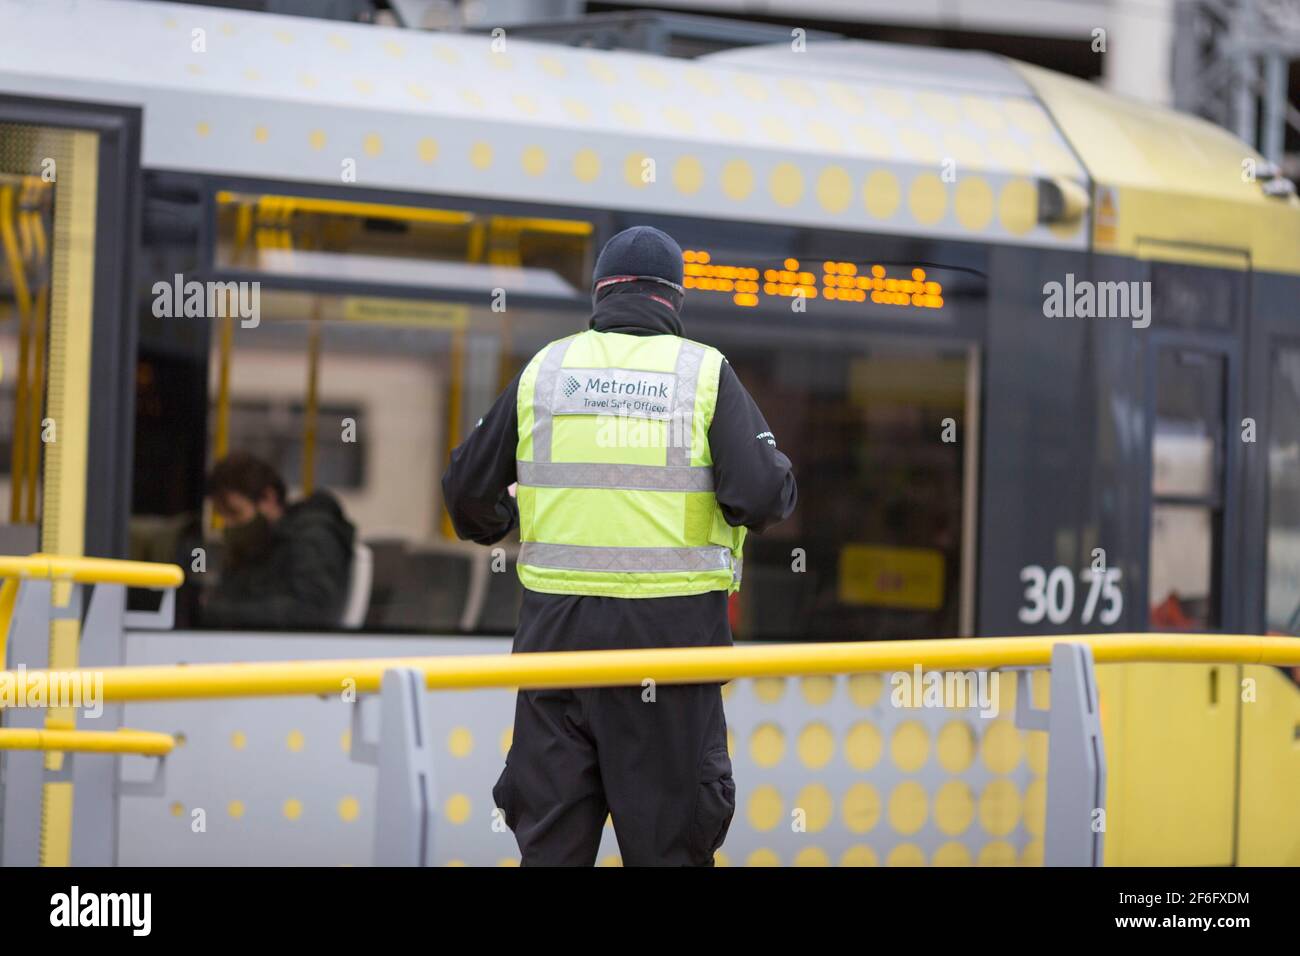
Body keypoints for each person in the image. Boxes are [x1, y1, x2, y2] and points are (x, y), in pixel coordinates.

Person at [442, 225, 797, 866]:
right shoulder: (703, 374)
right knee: (668, 850)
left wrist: (502, 520)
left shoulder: (545, 371)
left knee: (551, 852)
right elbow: (763, 497)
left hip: (556, 654)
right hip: (671, 654)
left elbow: (464, 492)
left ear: (601, 295)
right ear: (674, 300)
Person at [202, 451, 356, 630]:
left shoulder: (311, 538)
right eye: (223, 515)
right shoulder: (260, 542)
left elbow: (310, 611)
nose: (228, 525)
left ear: (268, 497)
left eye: (235, 513)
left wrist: (218, 613)